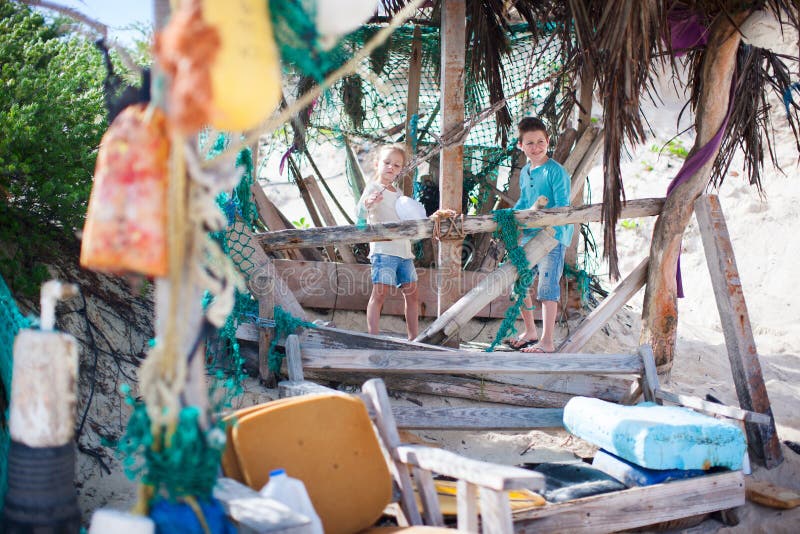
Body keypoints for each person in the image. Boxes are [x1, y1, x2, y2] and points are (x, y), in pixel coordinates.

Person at [505, 117, 574, 353]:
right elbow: (525, 201)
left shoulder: (556, 172)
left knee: (547, 287)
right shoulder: (526, 171)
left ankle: (547, 341)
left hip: (553, 236)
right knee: (519, 282)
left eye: (541, 141)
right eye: (530, 143)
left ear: (548, 141)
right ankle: (530, 331)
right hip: (529, 235)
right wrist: (510, 216)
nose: (536, 147)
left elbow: (563, 206)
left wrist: (544, 222)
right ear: (520, 145)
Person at [357, 143, 420, 340]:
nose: (391, 167)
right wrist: (368, 203)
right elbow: (360, 211)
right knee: (380, 294)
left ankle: (413, 338)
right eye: (387, 163)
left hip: (404, 251)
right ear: (377, 164)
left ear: (401, 169)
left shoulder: (399, 193)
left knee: (412, 294)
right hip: (384, 250)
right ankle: (373, 337)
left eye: (397, 165)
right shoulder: (373, 188)